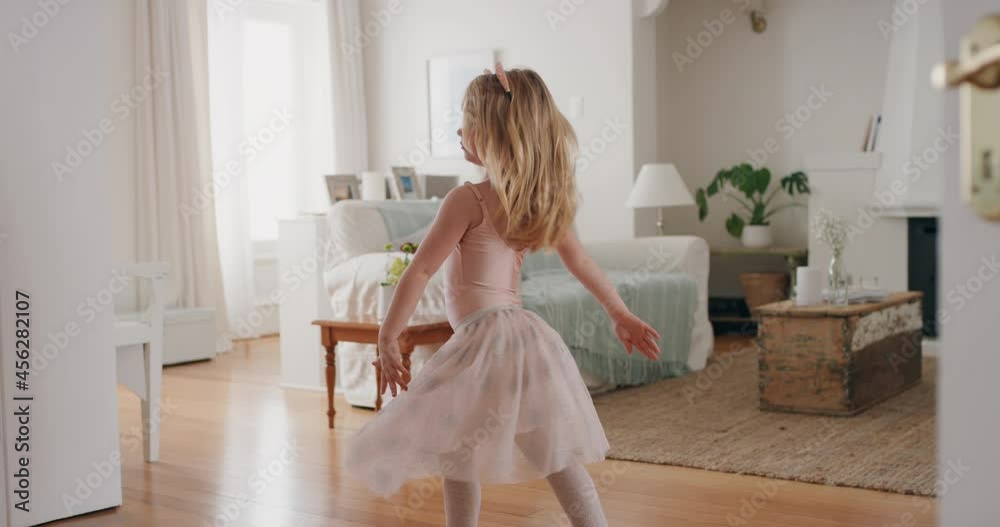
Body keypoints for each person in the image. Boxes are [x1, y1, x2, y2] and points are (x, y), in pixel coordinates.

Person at [346, 63, 662, 527]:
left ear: (490, 133)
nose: (459, 131)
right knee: (538, 452)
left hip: (484, 339)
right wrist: (619, 312)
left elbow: (421, 270)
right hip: (524, 338)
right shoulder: (534, 200)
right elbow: (581, 262)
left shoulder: (467, 199)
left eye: (466, 122)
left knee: (461, 447)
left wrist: (388, 334)